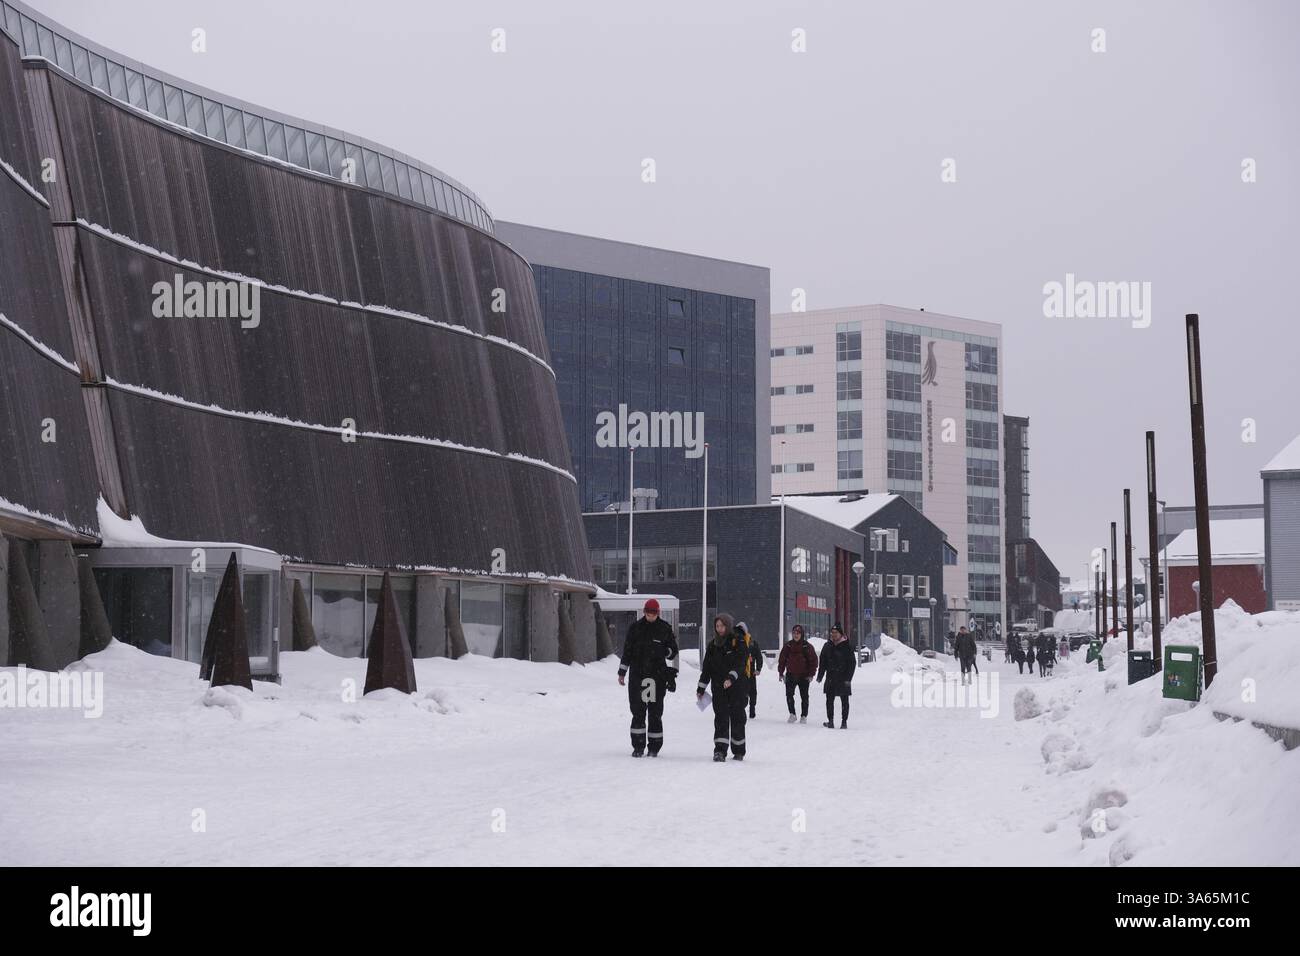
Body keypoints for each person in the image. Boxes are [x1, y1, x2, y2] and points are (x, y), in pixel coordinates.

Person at [616, 598, 679, 757]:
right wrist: (622, 672)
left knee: (655, 712)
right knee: (638, 711)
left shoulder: (664, 629)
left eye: (653, 613)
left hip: (657, 676)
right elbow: (627, 651)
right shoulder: (635, 628)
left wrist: (664, 652)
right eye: (648, 613)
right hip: (638, 675)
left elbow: (673, 651)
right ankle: (638, 746)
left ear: (657, 613)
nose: (650, 616)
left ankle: (654, 747)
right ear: (644, 612)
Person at [697, 613, 748, 762]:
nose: (720, 629)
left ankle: (738, 750)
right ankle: (720, 750)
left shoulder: (737, 641)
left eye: (722, 626)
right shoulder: (713, 645)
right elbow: (707, 668)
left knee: (737, 718)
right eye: (717, 626)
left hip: (737, 687)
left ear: (728, 625)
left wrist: (731, 678)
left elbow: (741, 662)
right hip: (719, 688)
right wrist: (701, 688)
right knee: (721, 719)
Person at [817, 622, 856, 728]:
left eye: (836, 632)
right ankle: (831, 721)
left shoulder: (847, 646)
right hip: (831, 677)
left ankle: (844, 722)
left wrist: (848, 678)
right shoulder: (827, 646)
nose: (833, 635)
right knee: (829, 700)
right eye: (832, 632)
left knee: (844, 700)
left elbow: (852, 664)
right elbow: (823, 662)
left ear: (841, 634)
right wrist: (820, 675)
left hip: (844, 678)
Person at [777, 623, 818, 723]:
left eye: (798, 633)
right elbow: (782, 660)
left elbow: (813, 661)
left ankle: (804, 716)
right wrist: (781, 672)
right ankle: (792, 714)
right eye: (794, 633)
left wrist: (811, 674)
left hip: (804, 676)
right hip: (791, 674)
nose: (796, 635)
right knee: (789, 695)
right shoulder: (788, 646)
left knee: (804, 697)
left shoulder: (807, 646)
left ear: (802, 634)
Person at [736, 621, 763, 718]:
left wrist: (758, 669)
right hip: (739, 672)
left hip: (750, 672)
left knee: (752, 691)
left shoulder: (752, 643)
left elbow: (759, 657)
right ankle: (741, 707)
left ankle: (752, 709)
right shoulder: (734, 642)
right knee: (741, 692)